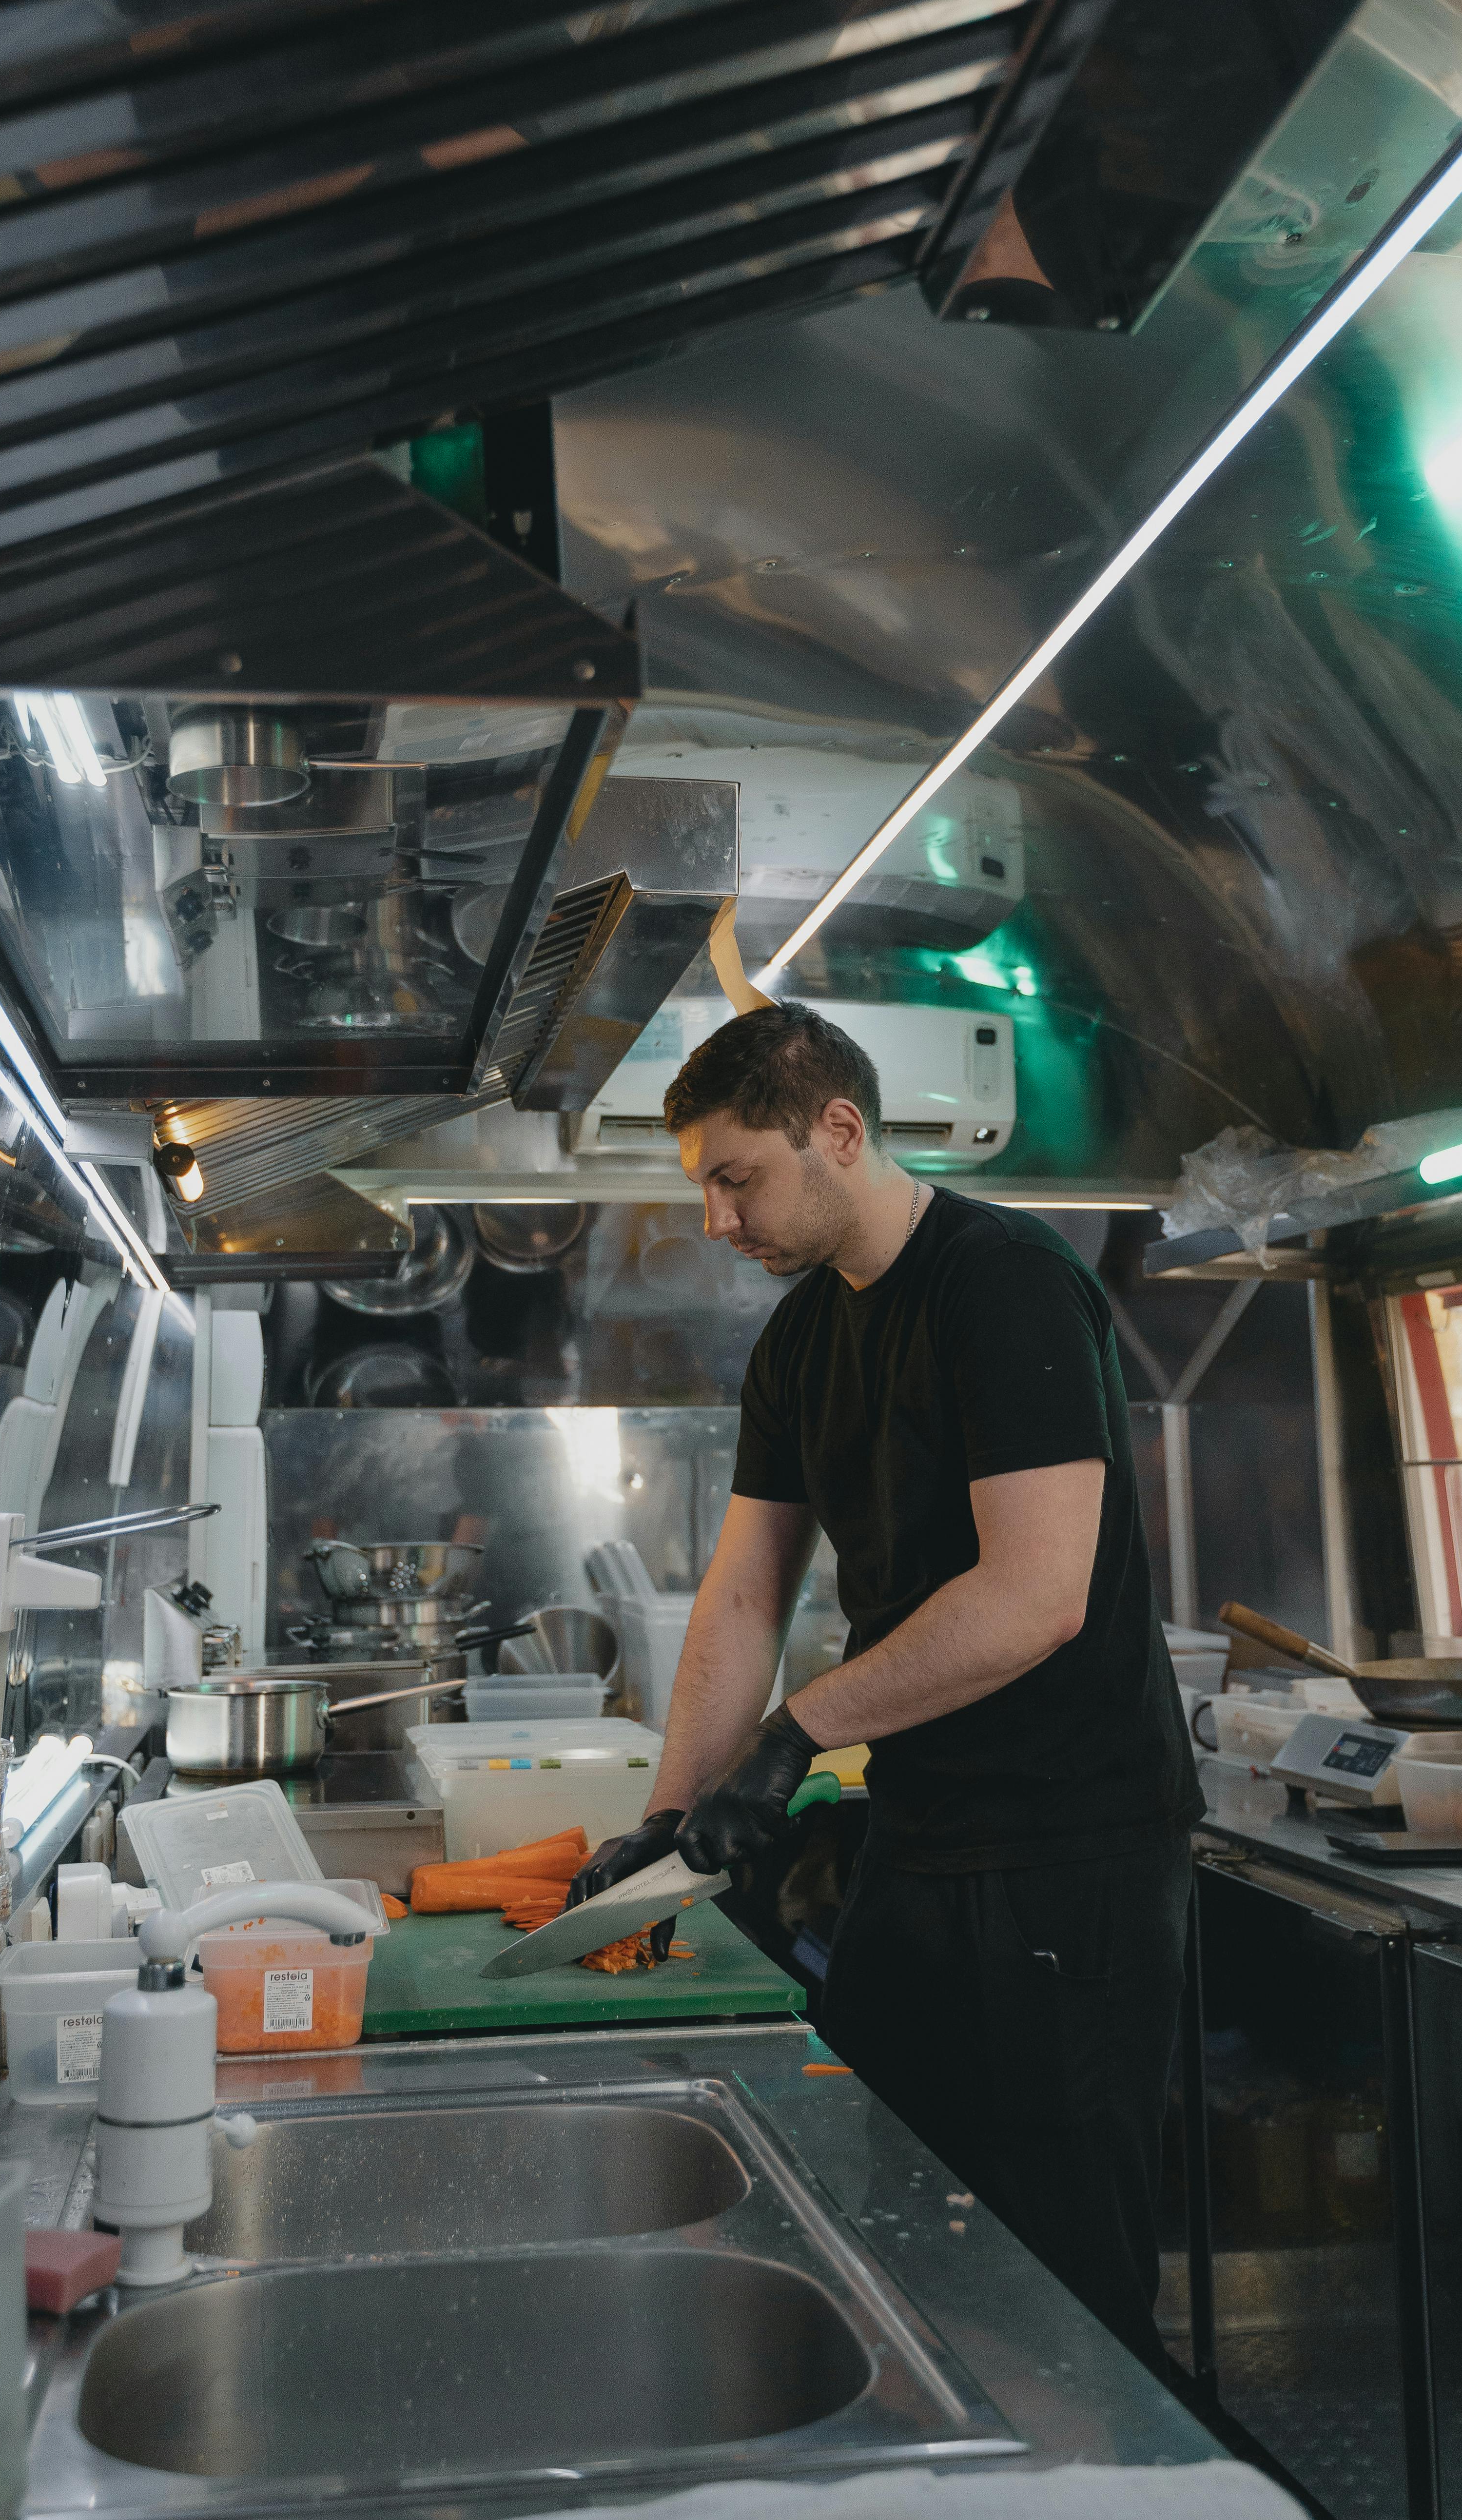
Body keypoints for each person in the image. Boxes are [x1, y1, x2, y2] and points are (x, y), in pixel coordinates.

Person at [565, 1001, 1204, 2374]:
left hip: (1064, 1857)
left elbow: (1034, 1599)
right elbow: (745, 1593)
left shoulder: (1005, 1284)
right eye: (703, 1188)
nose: (717, 1219)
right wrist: (671, 1817)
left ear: (837, 1132)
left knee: (1064, 2282)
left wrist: (793, 1737)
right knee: (898, 2231)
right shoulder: (800, 1342)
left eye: (735, 1176)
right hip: (922, 1845)